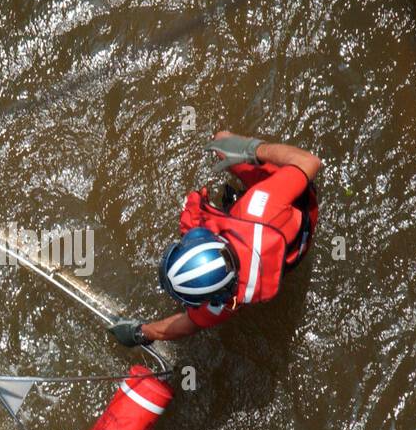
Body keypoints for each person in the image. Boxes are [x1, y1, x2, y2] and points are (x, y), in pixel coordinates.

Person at [108, 130, 321, 345]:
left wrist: (141, 333)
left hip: (283, 221)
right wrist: (251, 150)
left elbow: (188, 323)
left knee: (220, 142)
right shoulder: (259, 205)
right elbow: (308, 161)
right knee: (222, 140)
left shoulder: (226, 301)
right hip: (291, 216)